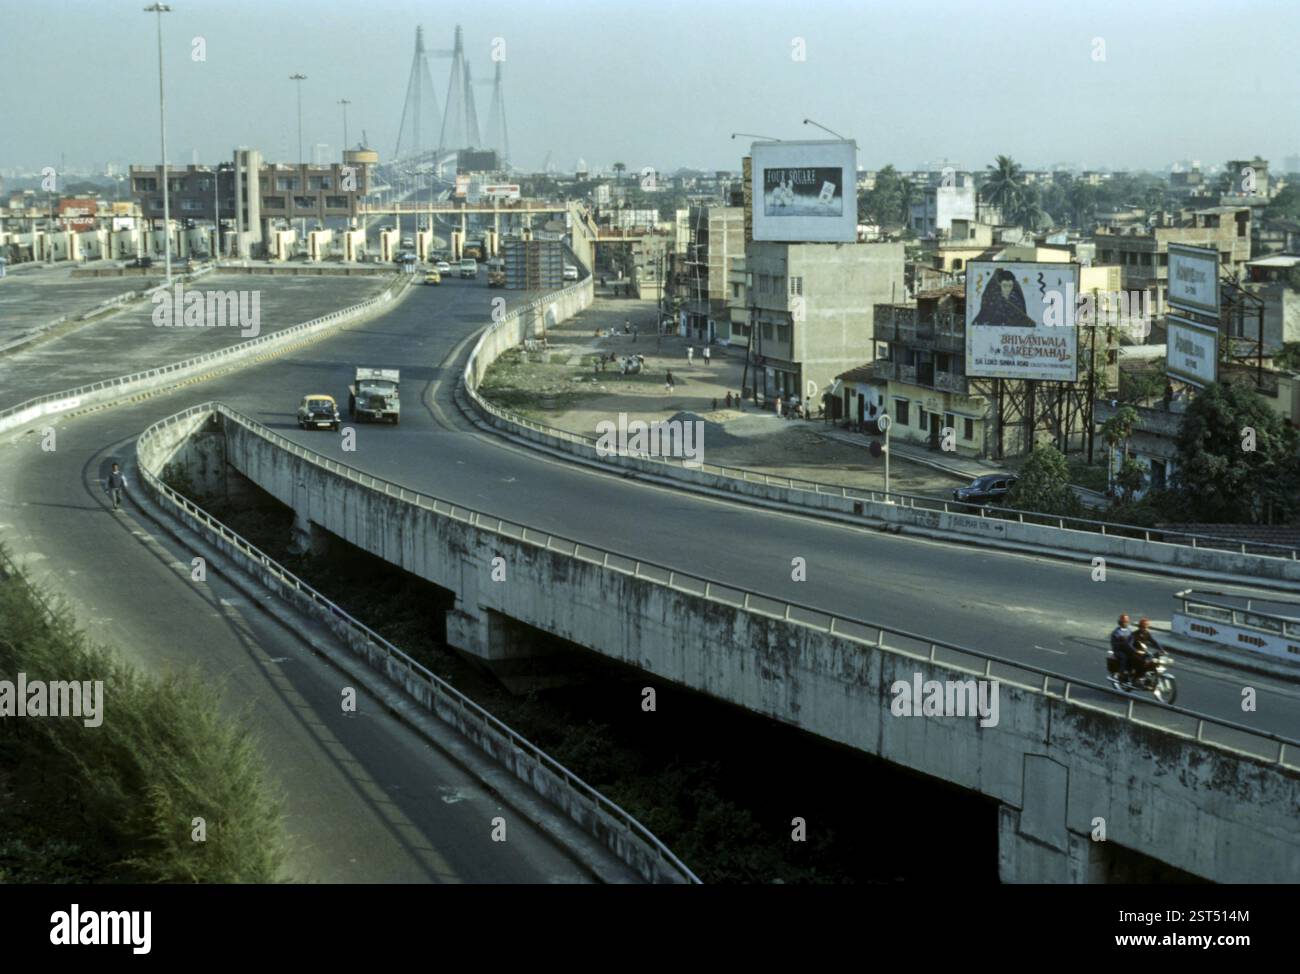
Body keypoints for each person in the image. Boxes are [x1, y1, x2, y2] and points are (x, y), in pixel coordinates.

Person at [1109, 613, 1135, 681]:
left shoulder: (1129, 630)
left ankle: (1133, 671)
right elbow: (1123, 642)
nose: (1126, 623)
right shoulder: (1117, 632)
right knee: (1124, 657)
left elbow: (1132, 638)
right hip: (1118, 650)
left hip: (1127, 649)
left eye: (1127, 622)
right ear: (1120, 622)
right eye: (1124, 622)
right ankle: (1121, 673)